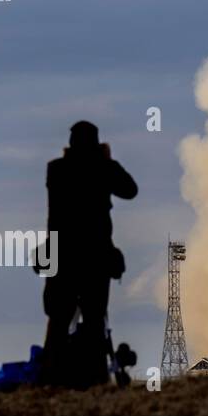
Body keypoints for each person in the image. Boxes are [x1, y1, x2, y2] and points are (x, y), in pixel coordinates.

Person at [40, 121, 138, 387]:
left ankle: (51, 375)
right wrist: (108, 159)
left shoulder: (56, 169)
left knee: (58, 318)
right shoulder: (103, 168)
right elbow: (130, 190)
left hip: (62, 253)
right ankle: (94, 377)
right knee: (95, 318)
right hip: (96, 254)